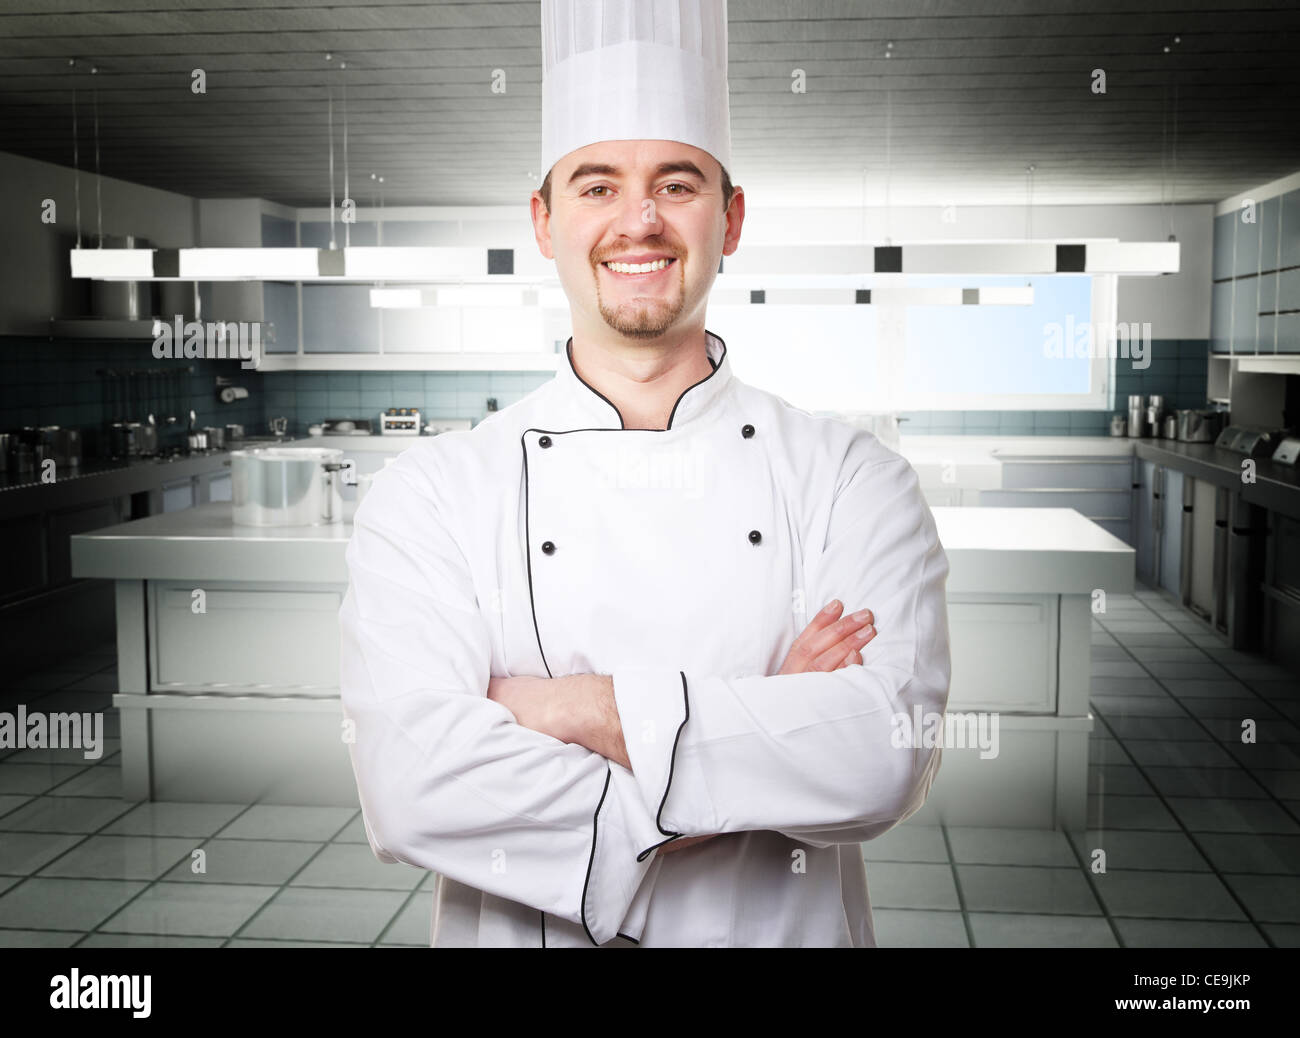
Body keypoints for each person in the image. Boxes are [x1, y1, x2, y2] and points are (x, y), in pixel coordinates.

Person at [338, 0, 951, 947]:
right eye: (596, 187)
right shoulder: (432, 492)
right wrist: (765, 729)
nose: (640, 222)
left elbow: (877, 760)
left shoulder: (852, 479)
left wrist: (556, 708)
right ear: (543, 222)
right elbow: (412, 785)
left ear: (730, 217)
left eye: (677, 182)